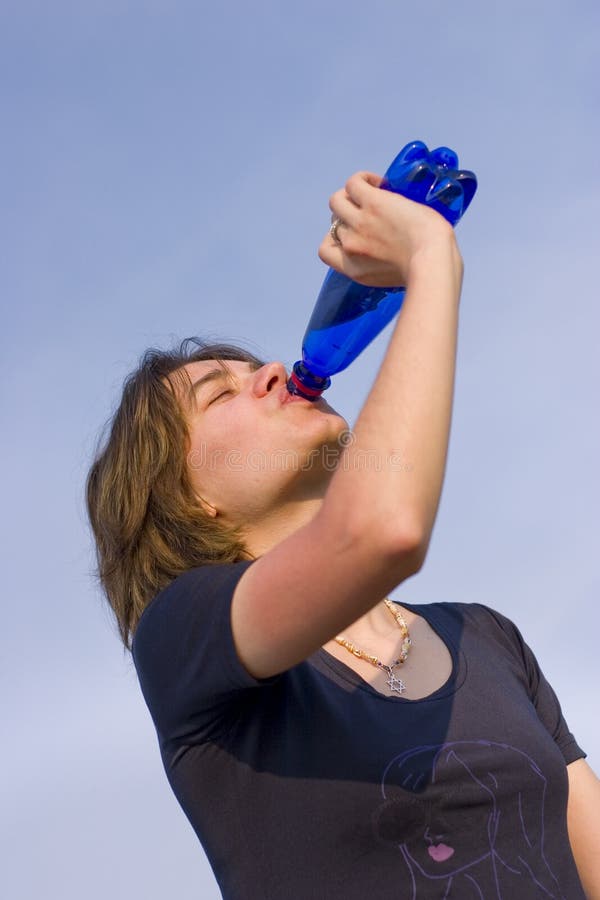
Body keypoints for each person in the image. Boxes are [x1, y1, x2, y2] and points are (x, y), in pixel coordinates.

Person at [86, 170, 600, 899]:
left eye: (253, 365)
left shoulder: (487, 638)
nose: (268, 374)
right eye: (221, 393)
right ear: (187, 499)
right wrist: (428, 261)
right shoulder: (183, 641)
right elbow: (383, 531)